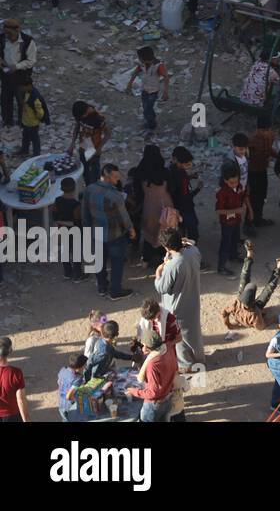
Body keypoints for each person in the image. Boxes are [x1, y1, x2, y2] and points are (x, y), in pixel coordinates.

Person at [155, 228, 205, 369]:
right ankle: (199, 358)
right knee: (194, 333)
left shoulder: (173, 265)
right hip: (193, 300)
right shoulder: (193, 252)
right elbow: (192, 244)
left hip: (177, 307)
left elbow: (162, 288)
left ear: (166, 247)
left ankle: (187, 364)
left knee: (180, 338)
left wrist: (158, 273)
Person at [85, 164, 135, 299]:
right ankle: (115, 291)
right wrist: (131, 229)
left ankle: (102, 287)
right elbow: (124, 216)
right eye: (115, 177)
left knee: (99, 262)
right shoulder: (115, 195)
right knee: (117, 263)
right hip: (115, 234)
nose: (117, 180)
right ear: (107, 176)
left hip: (96, 232)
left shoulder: (89, 189)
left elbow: (85, 212)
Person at [222, 243, 280, 329]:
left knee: (244, 277)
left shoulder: (236, 304)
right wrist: (273, 319)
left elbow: (224, 312)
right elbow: (261, 327)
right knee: (269, 289)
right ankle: (278, 266)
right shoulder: (255, 314)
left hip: (242, 308)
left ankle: (249, 256)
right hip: (253, 312)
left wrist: (228, 325)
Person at [125, 331, 177, 422]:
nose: (143, 348)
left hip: (154, 404)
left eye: (145, 345)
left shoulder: (152, 365)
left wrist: (133, 391)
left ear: (151, 348)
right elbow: (175, 367)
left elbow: (153, 393)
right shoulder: (168, 347)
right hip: (168, 398)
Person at [0, 19, 36, 129]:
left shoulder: (28, 41)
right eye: (6, 33)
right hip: (5, 75)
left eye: (10, 34)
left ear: (17, 30)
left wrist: (16, 67)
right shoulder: (2, 39)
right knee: (5, 100)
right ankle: (7, 121)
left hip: (21, 76)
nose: (8, 36)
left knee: (22, 100)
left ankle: (22, 122)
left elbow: (31, 61)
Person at [126, 46, 169, 135]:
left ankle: (151, 125)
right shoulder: (142, 65)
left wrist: (165, 92)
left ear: (144, 58)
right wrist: (129, 84)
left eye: (140, 57)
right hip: (145, 89)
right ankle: (151, 120)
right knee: (146, 108)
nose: (139, 59)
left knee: (147, 109)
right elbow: (135, 73)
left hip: (154, 91)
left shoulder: (158, 65)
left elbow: (166, 77)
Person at [0, 337, 29, 423]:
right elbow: (21, 400)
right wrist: (26, 419)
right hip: (12, 416)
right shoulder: (16, 373)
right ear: (10, 351)